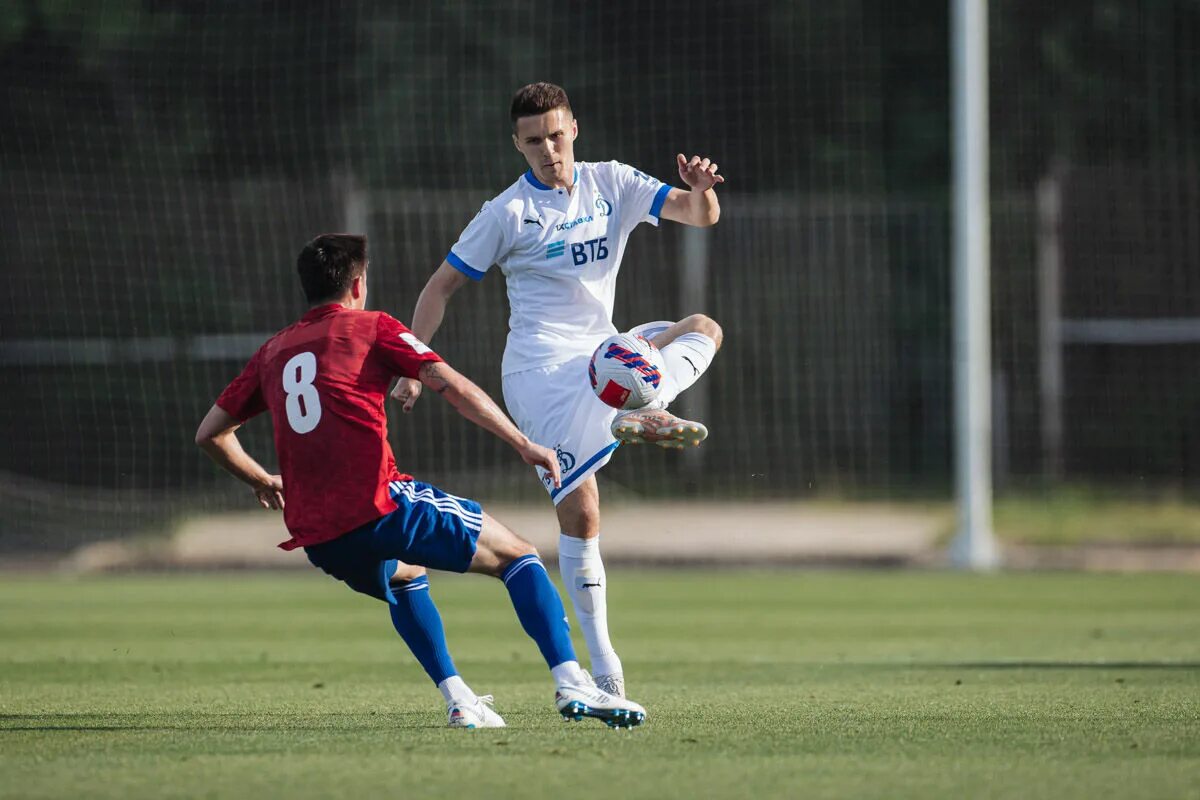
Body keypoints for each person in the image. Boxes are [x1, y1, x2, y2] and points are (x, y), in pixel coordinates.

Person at [195, 233, 646, 729]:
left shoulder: (274, 351)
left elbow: (210, 434)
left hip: (318, 535)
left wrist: (260, 478)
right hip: (380, 505)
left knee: (406, 574)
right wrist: (523, 443)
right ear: (358, 284)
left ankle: (460, 699)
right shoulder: (371, 327)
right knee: (519, 556)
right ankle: (572, 683)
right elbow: (451, 385)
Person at [391, 82, 724, 699]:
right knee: (583, 511)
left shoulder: (612, 183)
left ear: (574, 127)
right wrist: (413, 364)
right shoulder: (507, 214)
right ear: (517, 145)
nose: (548, 148)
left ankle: (646, 405)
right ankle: (605, 667)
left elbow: (696, 215)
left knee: (702, 328)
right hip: (539, 375)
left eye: (555, 134)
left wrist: (703, 193)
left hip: (605, 355)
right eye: (533, 140)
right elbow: (438, 289)